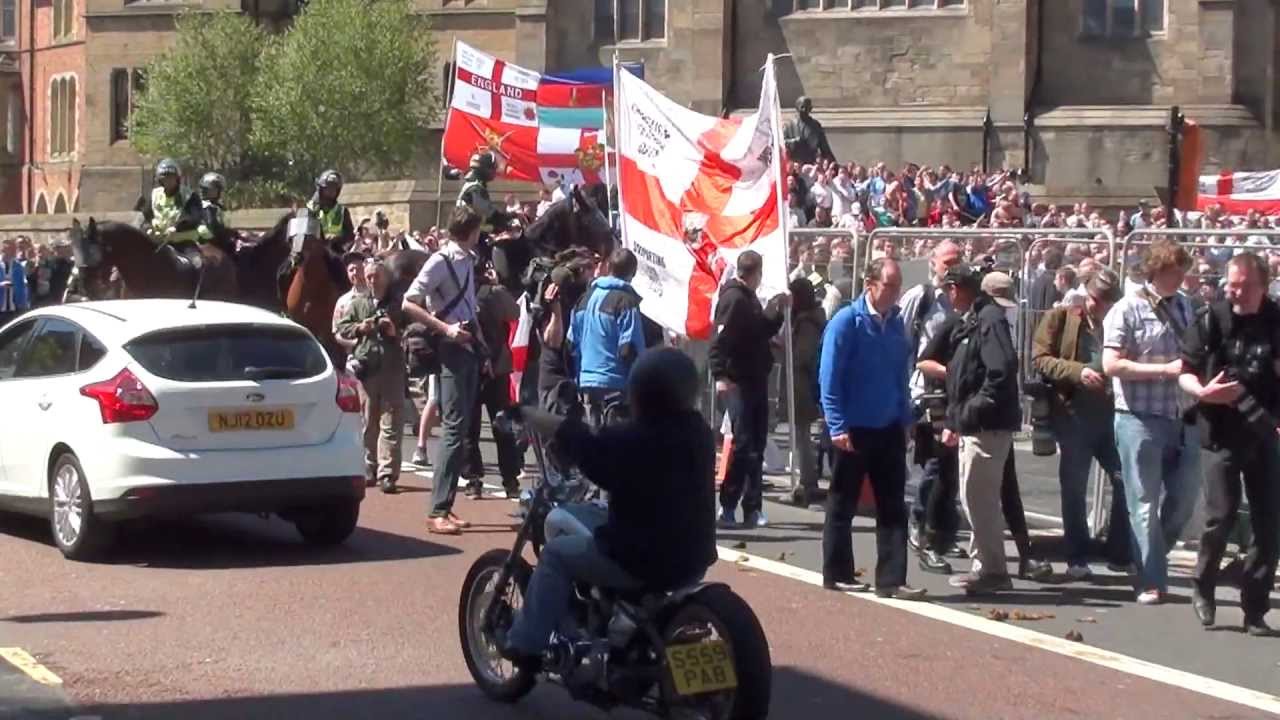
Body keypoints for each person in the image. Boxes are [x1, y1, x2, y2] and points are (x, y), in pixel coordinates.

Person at [501, 347, 718, 667]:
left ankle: (525, 644)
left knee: (557, 554)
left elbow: (579, 439)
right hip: (693, 557)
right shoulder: (699, 432)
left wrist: (528, 413)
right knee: (600, 520)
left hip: (640, 559)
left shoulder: (631, 439)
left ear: (639, 391)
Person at [1179, 253, 1280, 635]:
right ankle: (1203, 584)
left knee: (1269, 524)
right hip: (1218, 431)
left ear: (1263, 283)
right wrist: (1204, 392)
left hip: (1262, 432)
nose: (1233, 290)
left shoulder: (1275, 319)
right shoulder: (1212, 319)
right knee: (1221, 516)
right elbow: (1184, 372)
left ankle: (1255, 608)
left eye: (1242, 285)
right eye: (1231, 283)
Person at [819, 257, 926, 600]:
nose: (895, 294)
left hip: (888, 426)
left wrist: (905, 418)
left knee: (893, 504)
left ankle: (892, 579)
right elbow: (829, 378)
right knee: (842, 503)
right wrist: (836, 425)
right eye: (889, 286)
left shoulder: (895, 324)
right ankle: (837, 573)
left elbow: (900, 374)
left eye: (898, 287)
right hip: (852, 428)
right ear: (871, 284)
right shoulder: (846, 322)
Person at [1102, 239, 1201, 605]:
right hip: (1139, 417)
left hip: (1183, 415)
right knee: (1142, 501)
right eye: (1173, 271)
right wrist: (1164, 370)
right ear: (1155, 271)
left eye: (1181, 271)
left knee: (1184, 498)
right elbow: (1111, 364)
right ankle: (1150, 578)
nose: (1179, 278)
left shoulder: (1187, 307)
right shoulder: (1126, 309)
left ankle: (1148, 556)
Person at [1032, 267, 1132, 580]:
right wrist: (1078, 372)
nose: (1097, 306)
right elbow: (1040, 358)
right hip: (1073, 415)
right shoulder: (1061, 318)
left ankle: (1117, 552)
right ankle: (1077, 556)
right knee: (1074, 487)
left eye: (1104, 302)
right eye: (1094, 299)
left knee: (1125, 479)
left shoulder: (1119, 323)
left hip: (1111, 417)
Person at [935, 270, 1023, 594]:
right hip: (979, 422)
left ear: (958, 289)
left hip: (986, 425)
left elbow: (999, 370)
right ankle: (985, 565)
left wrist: (971, 410)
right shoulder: (978, 319)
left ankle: (992, 569)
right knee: (976, 498)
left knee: (979, 498)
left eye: (950, 290)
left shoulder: (987, 320)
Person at [402, 206, 485, 535]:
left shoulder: (467, 259)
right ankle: (436, 510)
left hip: (468, 347)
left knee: (461, 428)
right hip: (451, 347)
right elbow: (410, 301)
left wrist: (482, 346)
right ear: (470, 230)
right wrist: (446, 329)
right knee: (452, 430)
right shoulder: (440, 261)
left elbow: (469, 307)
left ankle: (446, 507)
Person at [710, 251, 786, 529]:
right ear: (755, 273)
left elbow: (759, 330)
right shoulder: (733, 300)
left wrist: (776, 311)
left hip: (755, 378)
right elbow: (720, 339)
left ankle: (752, 507)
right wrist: (719, 374)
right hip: (738, 380)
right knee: (743, 445)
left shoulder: (750, 300)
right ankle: (729, 504)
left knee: (756, 444)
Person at [898, 240, 962, 568]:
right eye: (947, 261)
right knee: (936, 463)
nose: (952, 266)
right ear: (933, 263)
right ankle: (920, 524)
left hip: (955, 394)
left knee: (950, 467)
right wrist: (906, 392)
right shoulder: (920, 298)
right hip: (927, 394)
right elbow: (903, 343)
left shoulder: (961, 300)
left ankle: (944, 533)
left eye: (958, 260)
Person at [336, 259, 406, 494]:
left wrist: (395, 331)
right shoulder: (357, 303)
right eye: (369, 276)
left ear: (385, 277)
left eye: (376, 276)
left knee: (391, 423)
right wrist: (360, 328)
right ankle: (369, 466)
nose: (372, 280)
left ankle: (388, 474)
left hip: (392, 368)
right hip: (367, 368)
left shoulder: (398, 304)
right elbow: (342, 328)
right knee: (368, 422)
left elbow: (412, 329)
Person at [462, 262, 523, 500]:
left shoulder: (459, 295)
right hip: (497, 369)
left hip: (469, 368)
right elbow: (515, 313)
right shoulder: (494, 293)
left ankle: (473, 480)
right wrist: (497, 285)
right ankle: (510, 480)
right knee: (502, 426)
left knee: (470, 428)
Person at [568, 248, 646, 429]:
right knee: (618, 447)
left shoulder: (584, 299)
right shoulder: (626, 302)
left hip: (587, 382)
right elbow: (629, 348)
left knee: (595, 444)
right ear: (633, 273)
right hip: (616, 383)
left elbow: (571, 344)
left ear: (608, 267)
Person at [790, 276, 826, 506]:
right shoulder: (815, 318)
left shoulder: (806, 323)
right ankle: (808, 478)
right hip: (809, 383)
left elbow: (804, 356)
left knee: (802, 434)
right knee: (805, 434)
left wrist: (786, 350)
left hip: (803, 383)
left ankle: (807, 481)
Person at [136, 158, 204, 273]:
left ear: (177, 178)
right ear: (160, 180)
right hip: (157, 242)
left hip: (183, 243)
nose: (168, 180)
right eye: (164, 178)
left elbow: (195, 217)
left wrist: (177, 227)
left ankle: (199, 290)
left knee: (199, 264)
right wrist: (147, 228)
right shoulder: (154, 195)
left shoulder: (189, 195)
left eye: (171, 177)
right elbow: (144, 217)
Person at [308, 170, 355, 252]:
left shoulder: (342, 211)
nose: (331, 191)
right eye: (328, 188)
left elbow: (350, 235)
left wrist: (337, 237)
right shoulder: (310, 208)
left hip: (335, 250)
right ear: (321, 189)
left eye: (334, 189)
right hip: (313, 249)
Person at [784, 96, 835, 167]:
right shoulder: (789, 125)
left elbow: (825, 148)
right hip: (795, 166)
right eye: (802, 107)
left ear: (811, 109)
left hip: (811, 165)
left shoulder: (815, 126)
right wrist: (794, 142)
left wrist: (833, 163)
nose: (804, 110)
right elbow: (781, 143)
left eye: (807, 108)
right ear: (797, 108)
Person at [195, 172, 230, 251]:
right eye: (218, 189)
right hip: (213, 248)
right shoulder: (209, 208)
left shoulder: (198, 205)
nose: (220, 192)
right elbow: (214, 231)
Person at [0, 237, 29, 325]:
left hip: (14, 308)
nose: (13, 251)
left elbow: (22, 286)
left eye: (14, 249)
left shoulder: (18, 266)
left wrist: (23, 304)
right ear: (3, 249)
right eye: (10, 249)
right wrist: (1, 285)